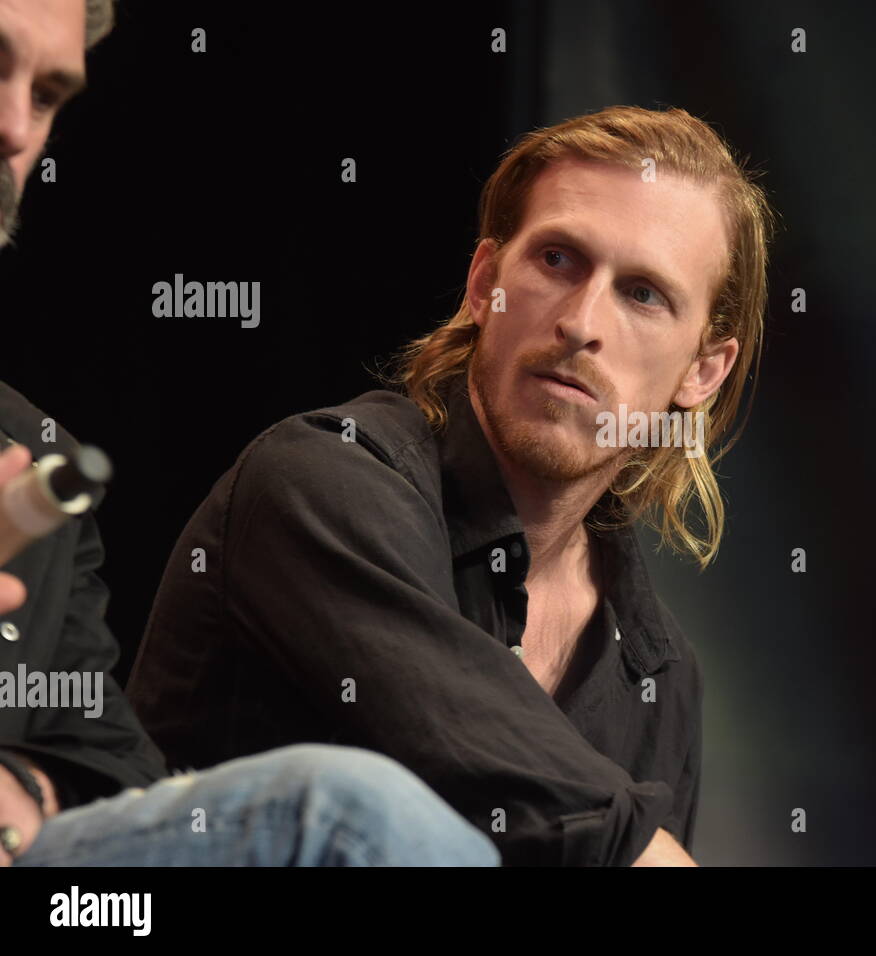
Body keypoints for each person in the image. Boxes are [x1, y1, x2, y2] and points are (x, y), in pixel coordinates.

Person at [127, 103, 778, 866]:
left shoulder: (659, 675)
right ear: (483, 283)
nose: (580, 322)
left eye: (643, 294)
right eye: (558, 260)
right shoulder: (319, 483)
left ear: (704, 371)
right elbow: (477, 762)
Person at [0, 0, 499, 867]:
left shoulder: (32, 453)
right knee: (346, 816)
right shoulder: (331, 476)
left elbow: (111, 774)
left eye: (45, 95)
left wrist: (23, 796)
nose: (14, 127)